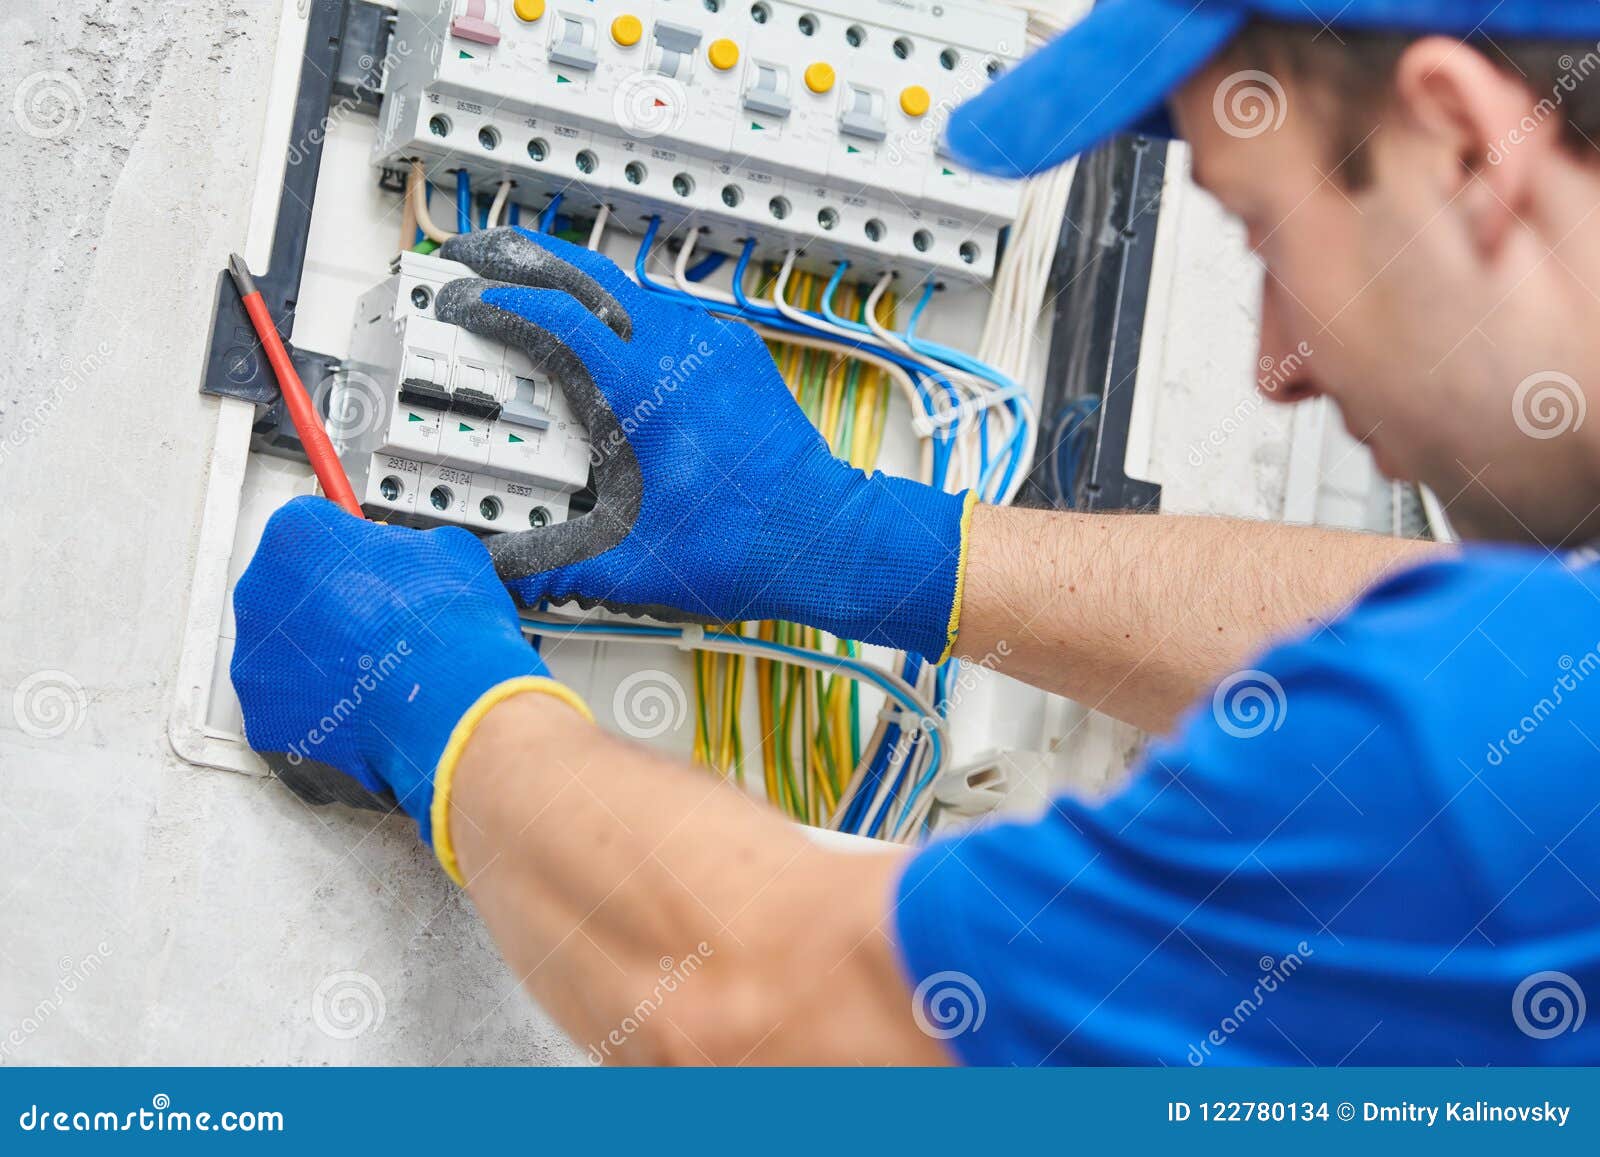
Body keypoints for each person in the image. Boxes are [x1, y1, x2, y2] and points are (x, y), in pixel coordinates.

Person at [229, 0, 1600, 1064]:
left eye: (1270, 232)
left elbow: (768, 1015)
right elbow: (1478, 644)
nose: (1279, 364)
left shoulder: (1477, 770)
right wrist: (870, 542)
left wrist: (443, 710)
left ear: (1470, 145)